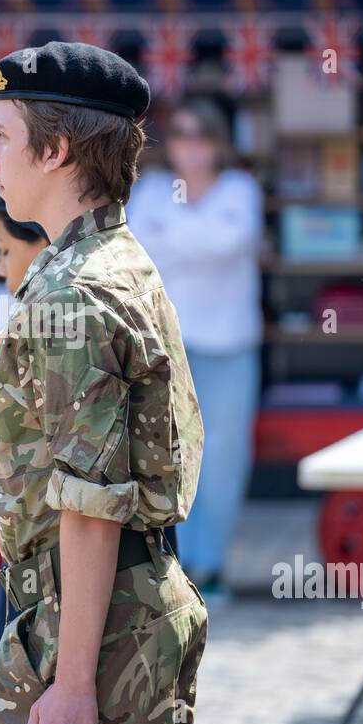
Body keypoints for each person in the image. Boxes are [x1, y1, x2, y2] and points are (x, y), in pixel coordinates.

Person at [0, 42, 208, 724]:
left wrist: (73, 679)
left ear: (55, 152)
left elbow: (90, 499)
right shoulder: (110, 259)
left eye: (3, 136)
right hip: (111, 608)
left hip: (95, 629)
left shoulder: (73, 292)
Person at [126, 98, 263, 601]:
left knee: (224, 457)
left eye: (202, 134)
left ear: (219, 141)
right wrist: (197, 237)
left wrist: (176, 237)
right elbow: (140, 245)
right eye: (181, 134)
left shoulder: (240, 188)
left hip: (230, 344)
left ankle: (212, 564)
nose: (191, 145)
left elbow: (234, 241)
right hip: (166, 346)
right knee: (170, 455)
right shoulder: (154, 189)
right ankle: (175, 566)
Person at [0, 182, 50, 660]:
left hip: (54, 559)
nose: (2, 268)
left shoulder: (56, 320)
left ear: (42, 244)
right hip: (30, 552)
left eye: (6, 250)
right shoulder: (36, 310)